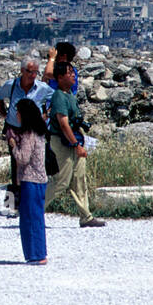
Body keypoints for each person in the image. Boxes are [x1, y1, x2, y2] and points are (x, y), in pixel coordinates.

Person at [44, 59, 106, 228]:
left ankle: (86, 216)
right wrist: (76, 145)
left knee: (79, 180)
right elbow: (63, 123)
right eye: (69, 73)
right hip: (64, 143)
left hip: (73, 141)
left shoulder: (69, 94)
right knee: (60, 181)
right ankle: (35, 211)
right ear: (60, 77)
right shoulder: (58, 97)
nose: (73, 75)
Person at [0, 56, 52, 213]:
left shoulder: (41, 89)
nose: (33, 75)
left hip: (32, 131)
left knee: (33, 165)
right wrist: (3, 113)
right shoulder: (11, 86)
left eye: (35, 72)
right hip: (14, 129)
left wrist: (46, 114)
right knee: (15, 165)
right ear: (22, 71)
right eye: (29, 71)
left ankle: (26, 203)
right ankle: (11, 206)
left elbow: (53, 99)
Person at [7, 98, 49, 264]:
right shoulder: (39, 132)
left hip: (29, 179)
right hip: (40, 178)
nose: (16, 115)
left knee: (29, 218)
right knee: (36, 217)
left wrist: (13, 144)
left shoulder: (28, 134)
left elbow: (22, 158)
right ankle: (38, 252)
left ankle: (36, 254)